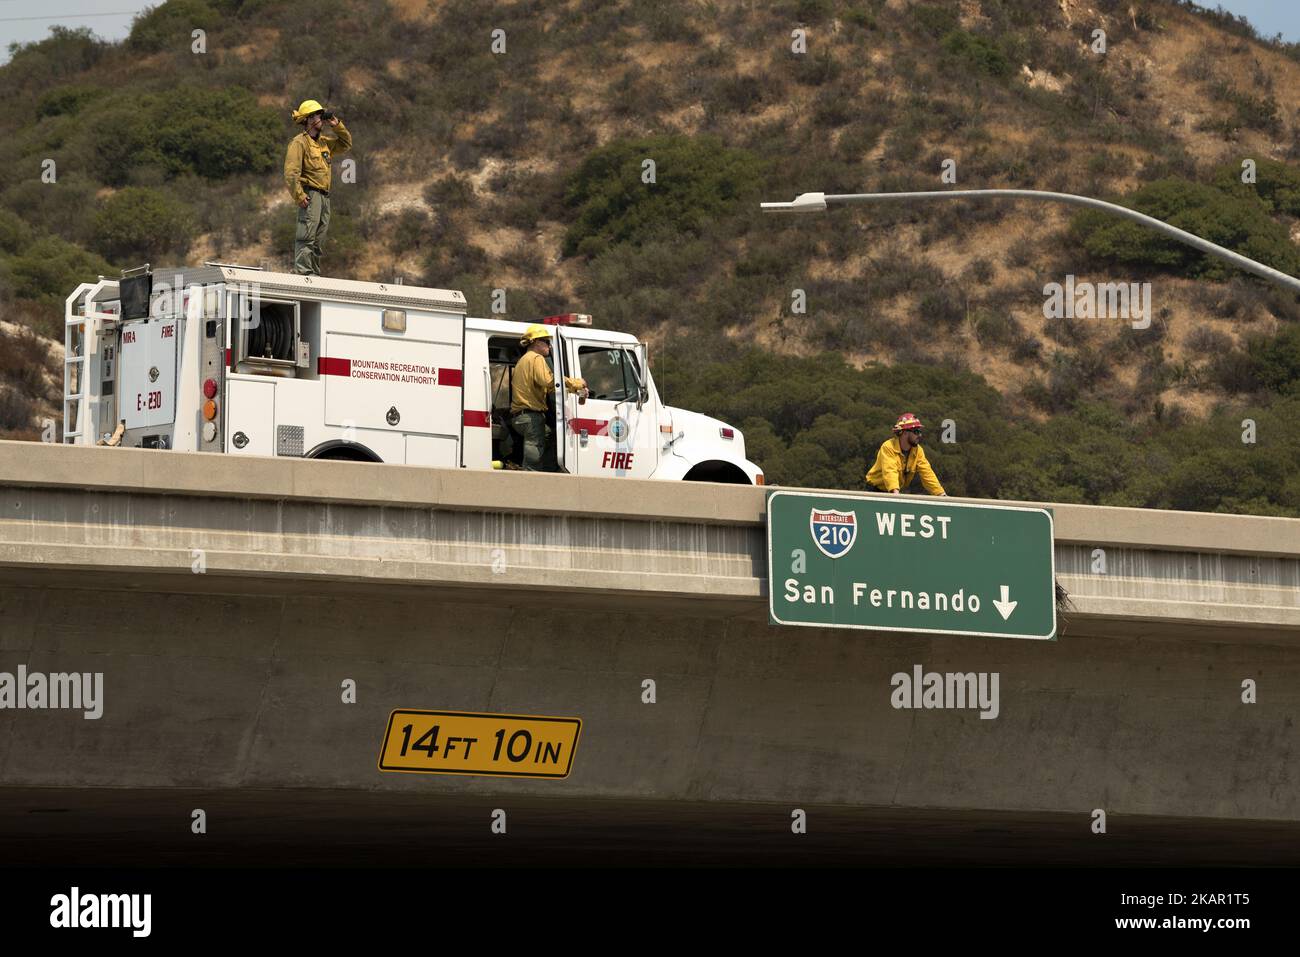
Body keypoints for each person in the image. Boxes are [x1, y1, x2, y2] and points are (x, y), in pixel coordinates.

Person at [283, 99, 352, 276]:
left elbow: (345, 144)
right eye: (316, 115)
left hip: (324, 196)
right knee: (306, 234)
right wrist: (299, 195)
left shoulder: (324, 143)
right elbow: (291, 173)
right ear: (308, 119)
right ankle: (303, 272)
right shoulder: (299, 143)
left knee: (319, 237)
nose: (321, 119)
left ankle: (313, 272)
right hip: (310, 194)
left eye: (321, 115)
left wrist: (337, 126)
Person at [509, 325, 587, 471]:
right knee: (534, 455)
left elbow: (551, 386)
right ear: (536, 342)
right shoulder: (536, 358)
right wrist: (577, 382)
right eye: (546, 342)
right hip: (530, 417)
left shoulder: (524, 360)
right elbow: (549, 380)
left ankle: (546, 470)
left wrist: (574, 389)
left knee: (550, 436)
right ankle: (532, 475)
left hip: (521, 417)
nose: (549, 346)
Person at [865, 412, 947, 496]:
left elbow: (927, 473)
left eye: (920, 431)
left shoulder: (918, 450)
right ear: (905, 433)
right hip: (875, 490)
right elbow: (890, 470)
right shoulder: (888, 447)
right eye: (916, 431)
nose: (920, 435)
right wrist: (895, 492)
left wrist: (941, 494)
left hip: (894, 491)